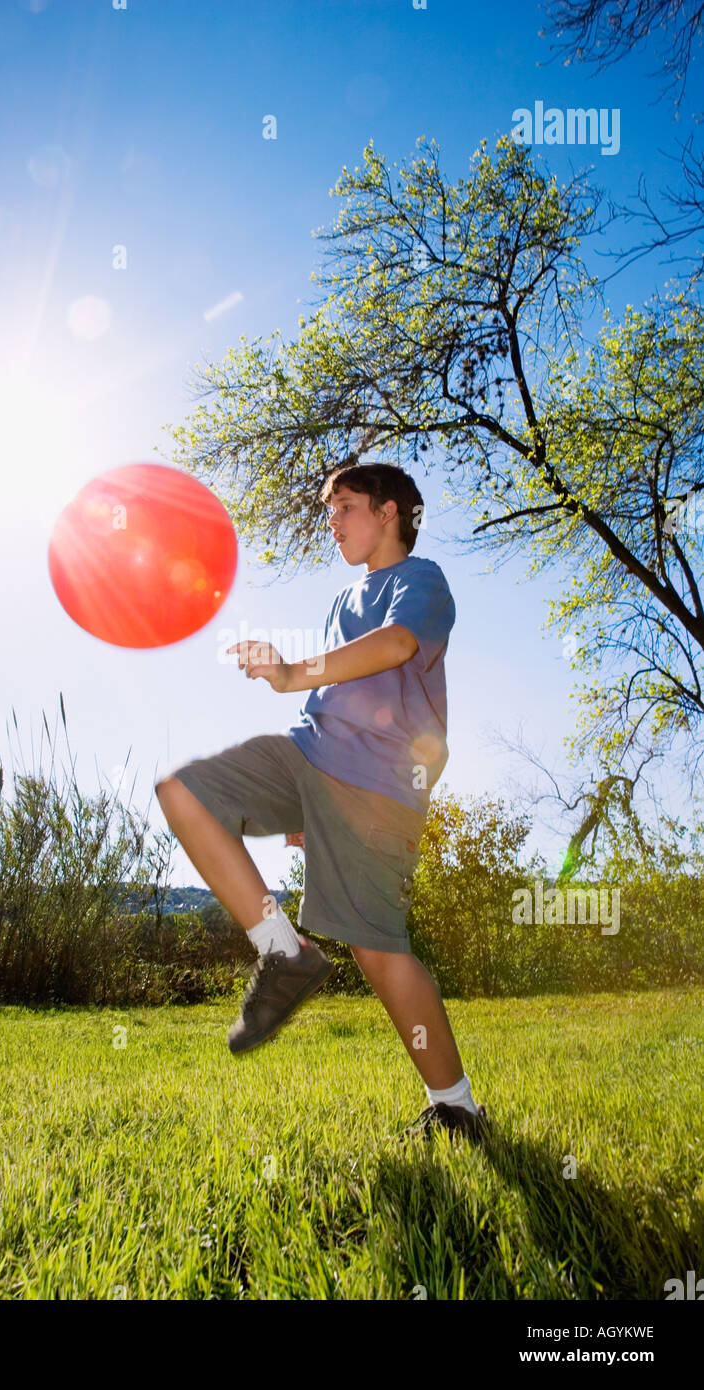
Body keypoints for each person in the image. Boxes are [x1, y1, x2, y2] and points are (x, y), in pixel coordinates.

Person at [155, 463, 489, 1143]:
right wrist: (300, 814)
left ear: (388, 511)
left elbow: (396, 646)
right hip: (309, 756)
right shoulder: (342, 601)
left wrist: (289, 671)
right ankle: (282, 951)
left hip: (378, 787)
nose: (332, 521)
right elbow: (328, 695)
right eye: (329, 509)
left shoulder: (420, 582)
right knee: (184, 792)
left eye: (343, 507)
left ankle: (457, 1108)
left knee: (377, 950)